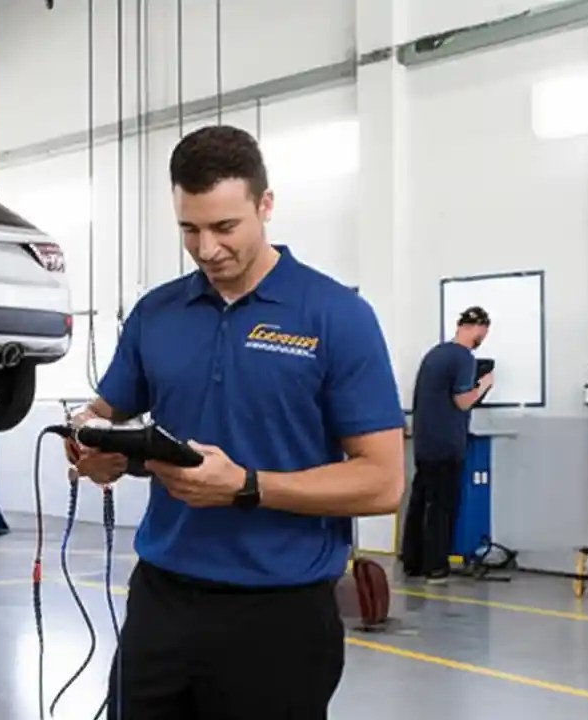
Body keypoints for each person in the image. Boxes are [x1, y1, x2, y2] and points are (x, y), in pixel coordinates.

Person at [66, 124, 406, 719]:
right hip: (162, 599)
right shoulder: (157, 313)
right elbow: (103, 411)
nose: (206, 248)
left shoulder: (336, 316)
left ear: (265, 205)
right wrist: (89, 443)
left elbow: (382, 482)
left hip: (279, 613)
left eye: (225, 227)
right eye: (188, 229)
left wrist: (248, 486)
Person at [401, 306, 494, 584]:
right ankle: (436, 567)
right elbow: (462, 401)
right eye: (484, 333)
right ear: (477, 328)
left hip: (425, 441)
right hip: (446, 443)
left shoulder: (435, 354)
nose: (483, 338)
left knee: (420, 501)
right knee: (443, 505)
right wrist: (485, 385)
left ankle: (413, 562)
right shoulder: (463, 357)